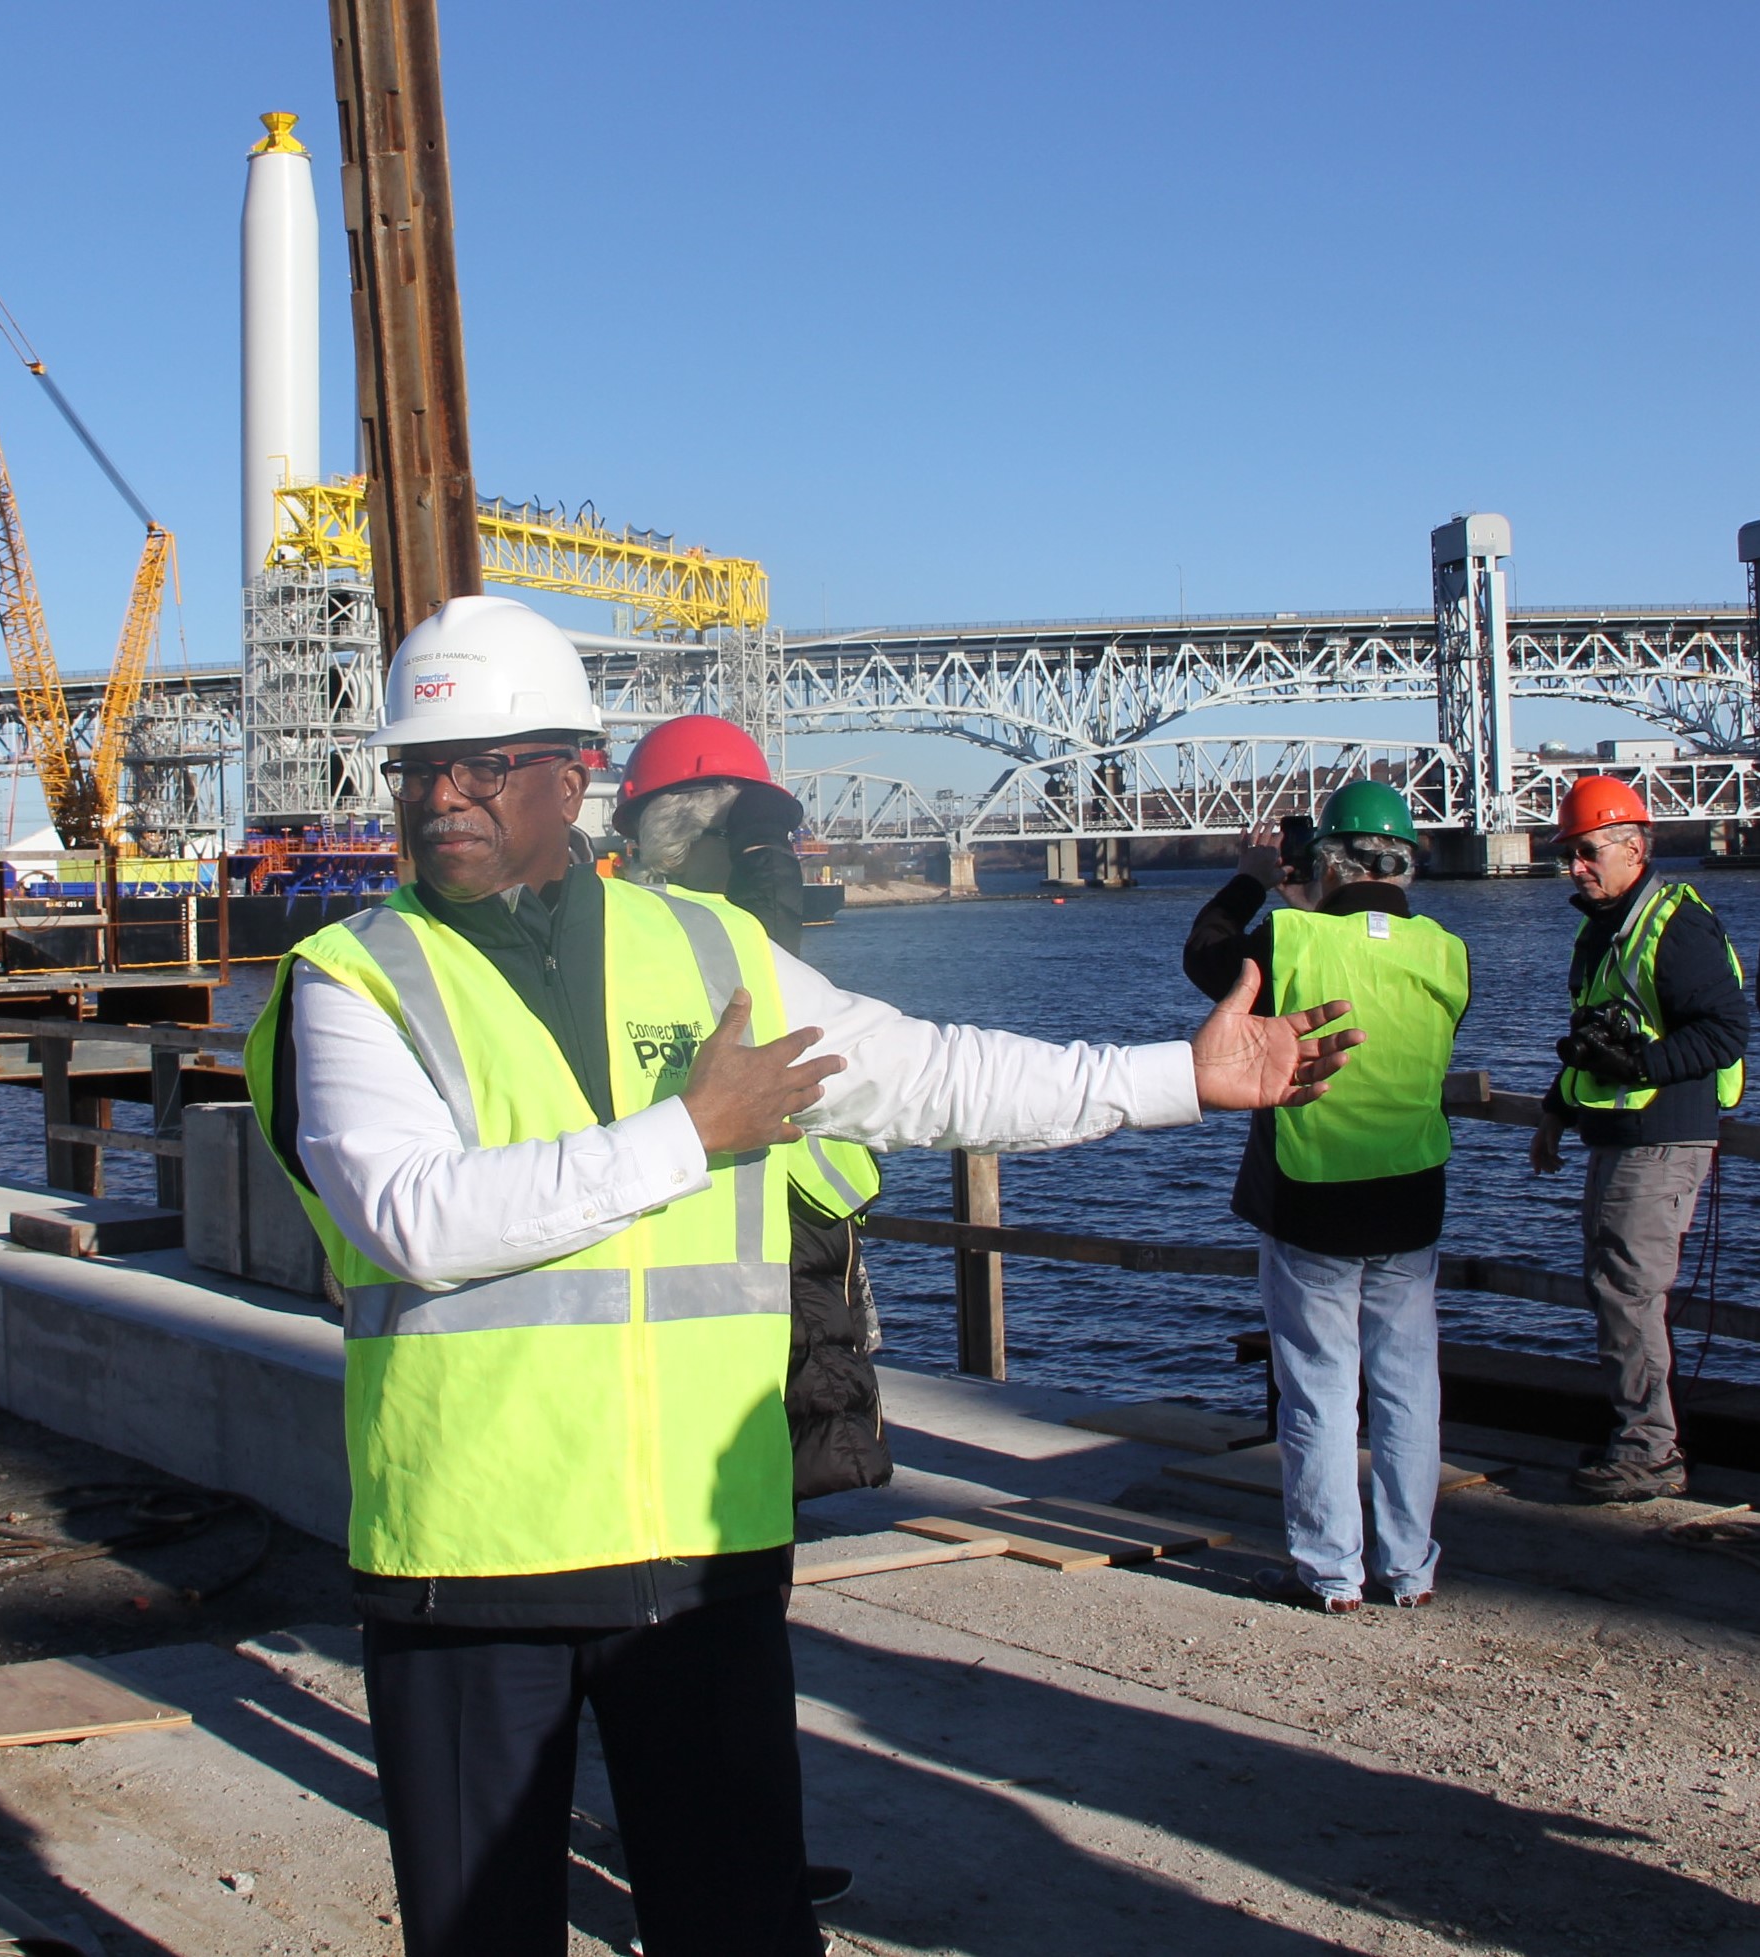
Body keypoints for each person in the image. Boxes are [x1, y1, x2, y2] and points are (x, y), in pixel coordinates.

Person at [246, 594, 1360, 1957]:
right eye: (421, 768)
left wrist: (1175, 1078)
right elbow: (410, 1216)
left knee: (743, 1931)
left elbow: (928, 1071)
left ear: (571, 777)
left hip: (701, 1559)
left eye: (482, 765)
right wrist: (688, 1132)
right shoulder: (350, 981)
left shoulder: (706, 949)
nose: (444, 797)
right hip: (476, 1563)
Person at [1185, 783, 1470, 1613]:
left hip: (1313, 1201)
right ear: (1405, 863)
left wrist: (1248, 878)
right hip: (1411, 1196)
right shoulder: (1445, 951)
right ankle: (1410, 1569)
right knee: (1408, 1388)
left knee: (1317, 1388)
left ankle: (1331, 1573)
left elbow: (1205, 954)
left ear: (1326, 863)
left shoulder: (1289, 935)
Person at [611, 714, 892, 1507]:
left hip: (770, 1241)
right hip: (768, 1247)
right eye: (762, 841)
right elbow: (763, 934)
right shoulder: (713, 950)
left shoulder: (629, 935)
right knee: (751, 1465)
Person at [1530, 776, 1749, 1503]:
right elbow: (1596, 1040)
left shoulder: (1674, 924)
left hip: (1661, 1137)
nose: (1575, 867)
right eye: (1568, 854)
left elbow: (1723, 1031)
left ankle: (1649, 1448)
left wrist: (1641, 1064)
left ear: (1632, 847)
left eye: (1587, 852)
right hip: (1619, 1133)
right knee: (1613, 1286)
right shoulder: (1608, 927)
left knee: (1625, 1289)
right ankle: (1639, 1435)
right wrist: (1558, 1108)